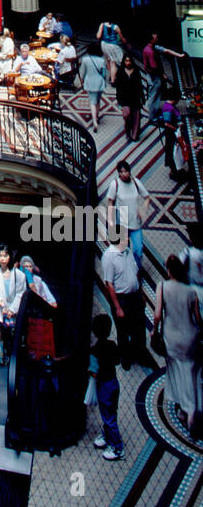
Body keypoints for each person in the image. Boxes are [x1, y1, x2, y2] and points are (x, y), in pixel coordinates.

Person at [153, 255, 202, 436]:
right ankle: (189, 409)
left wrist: (154, 331)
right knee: (191, 372)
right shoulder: (191, 292)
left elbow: (157, 314)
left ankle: (186, 408)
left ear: (169, 270)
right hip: (190, 337)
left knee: (175, 370)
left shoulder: (162, 286)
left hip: (171, 337)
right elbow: (197, 319)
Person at [102, 230, 151, 371]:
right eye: (124, 238)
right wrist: (117, 307)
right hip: (122, 300)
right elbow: (109, 284)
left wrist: (140, 292)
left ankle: (140, 354)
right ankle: (126, 358)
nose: (128, 239)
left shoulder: (128, 251)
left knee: (139, 328)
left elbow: (135, 273)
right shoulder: (109, 257)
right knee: (123, 331)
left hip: (135, 296)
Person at [90, 314, 124, 461]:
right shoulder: (112, 345)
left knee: (108, 416)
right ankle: (108, 435)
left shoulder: (94, 351)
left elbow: (94, 372)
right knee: (111, 412)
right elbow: (117, 361)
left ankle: (117, 447)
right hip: (114, 383)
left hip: (104, 386)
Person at [106, 160, 152, 268]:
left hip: (135, 223)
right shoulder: (115, 184)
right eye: (121, 172)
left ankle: (137, 270)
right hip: (122, 223)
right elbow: (110, 202)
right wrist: (111, 221)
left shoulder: (136, 182)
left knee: (138, 250)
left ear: (129, 171)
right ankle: (124, 271)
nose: (123, 174)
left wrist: (143, 209)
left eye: (125, 171)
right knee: (121, 250)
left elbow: (147, 197)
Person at [0, 245, 27, 365]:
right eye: (0, 256)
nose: (2, 259)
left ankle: (9, 365)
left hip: (11, 315)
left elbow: (21, 294)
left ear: (10, 257)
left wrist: (12, 310)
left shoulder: (19, 275)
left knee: (11, 342)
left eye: (5, 256)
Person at [143, 34, 184, 126]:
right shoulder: (150, 51)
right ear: (151, 40)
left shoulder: (154, 47)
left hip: (154, 75)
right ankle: (153, 118)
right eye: (155, 37)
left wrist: (179, 55)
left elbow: (166, 50)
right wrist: (162, 75)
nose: (157, 38)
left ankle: (154, 114)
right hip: (154, 76)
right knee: (154, 97)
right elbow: (154, 67)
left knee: (155, 95)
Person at [114, 52, 145, 140]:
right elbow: (118, 86)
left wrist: (142, 97)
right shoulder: (120, 71)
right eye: (126, 61)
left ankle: (135, 135)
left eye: (129, 61)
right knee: (126, 115)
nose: (128, 63)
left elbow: (139, 84)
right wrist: (119, 99)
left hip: (135, 97)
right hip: (124, 98)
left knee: (136, 117)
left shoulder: (136, 71)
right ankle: (128, 130)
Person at [80, 41, 108, 131]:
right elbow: (104, 74)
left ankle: (94, 121)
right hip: (99, 83)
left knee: (92, 101)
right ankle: (97, 116)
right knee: (98, 100)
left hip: (90, 82)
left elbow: (82, 72)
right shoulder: (102, 60)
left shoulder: (85, 60)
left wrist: (82, 81)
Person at [161, 92, 183, 180]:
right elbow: (166, 123)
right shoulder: (168, 109)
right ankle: (174, 171)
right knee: (173, 151)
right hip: (171, 134)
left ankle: (175, 169)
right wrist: (176, 128)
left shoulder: (169, 106)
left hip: (173, 133)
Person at [97, 18, 125, 85]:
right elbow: (122, 38)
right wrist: (125, 42)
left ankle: (110, 75)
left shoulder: (102, 25)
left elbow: (98, 36)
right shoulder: (115, 27)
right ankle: (113, 80)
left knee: (108, 60)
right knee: (113, 63)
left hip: (104, 45)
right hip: (112, 46)